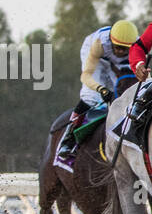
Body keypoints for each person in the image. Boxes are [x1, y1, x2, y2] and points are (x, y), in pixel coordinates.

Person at [54, 20, 139, 171]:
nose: (120, 51)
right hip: (97, 58)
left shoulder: (138, 47)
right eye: (117, 48)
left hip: (120, 65)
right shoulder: (99, 43)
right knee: (91, 96)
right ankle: (68, 140)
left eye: (124, 49)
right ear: (111, 42)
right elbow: (86, 76)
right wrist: (102, 89)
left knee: (128, 97)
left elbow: (144, 78)